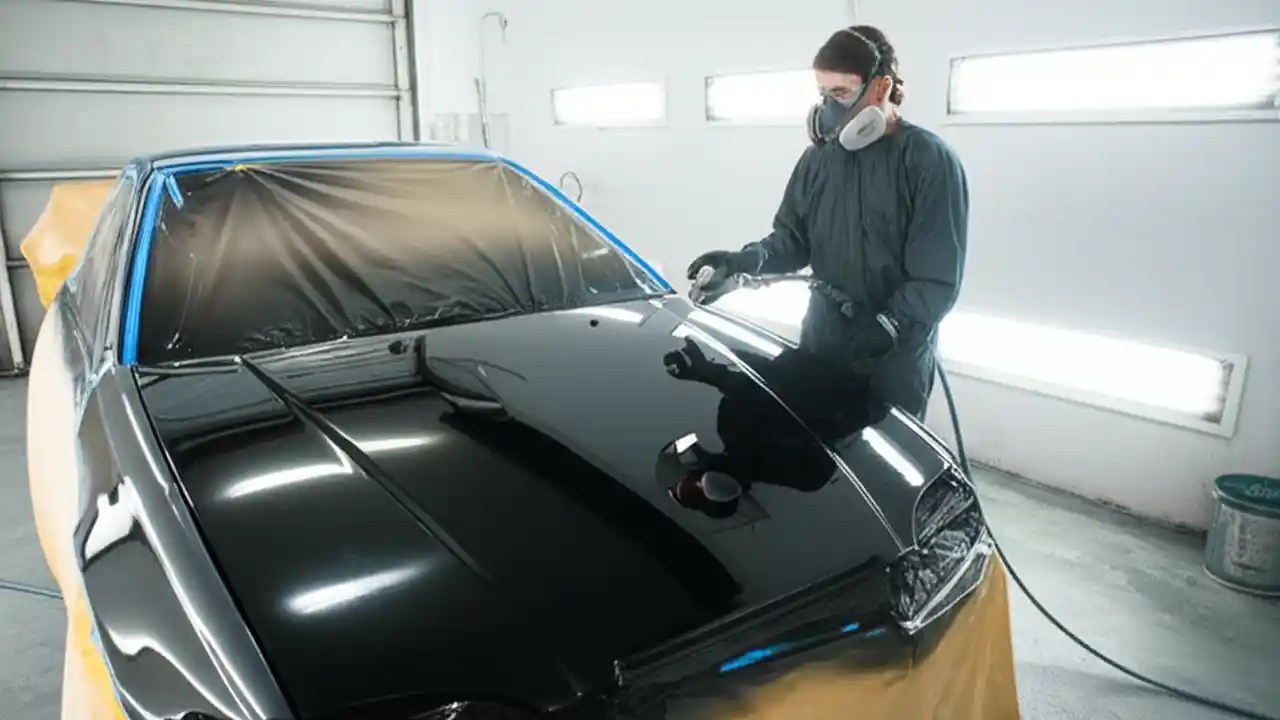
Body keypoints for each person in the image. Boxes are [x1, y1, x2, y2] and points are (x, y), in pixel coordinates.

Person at [686, 25, 968, 419]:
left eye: (841, 93)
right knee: (813, 457)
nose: (829, 108)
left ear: (881, 87)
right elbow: (791, 240)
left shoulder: (928, 162)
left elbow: (936, 279)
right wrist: (741, 262)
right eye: (823, 94)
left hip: (892, 358)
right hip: (825, 341)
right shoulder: (818, 160)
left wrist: (889, 326)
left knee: (879, 470)